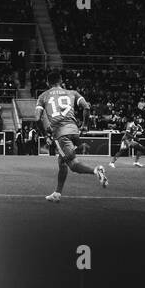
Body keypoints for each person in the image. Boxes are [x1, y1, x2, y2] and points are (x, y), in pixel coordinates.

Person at [36, 69, 107, 203]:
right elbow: (86, 107)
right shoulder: (72, 93)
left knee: (73, 165)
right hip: (74, 130)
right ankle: (57, 193)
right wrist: (85, 125)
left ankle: (96, 171)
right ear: (61, 81)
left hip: (60, 133)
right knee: (62, 162)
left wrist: (46, 134)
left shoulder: (43, 96)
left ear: (47, 83)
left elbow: (37, 118)